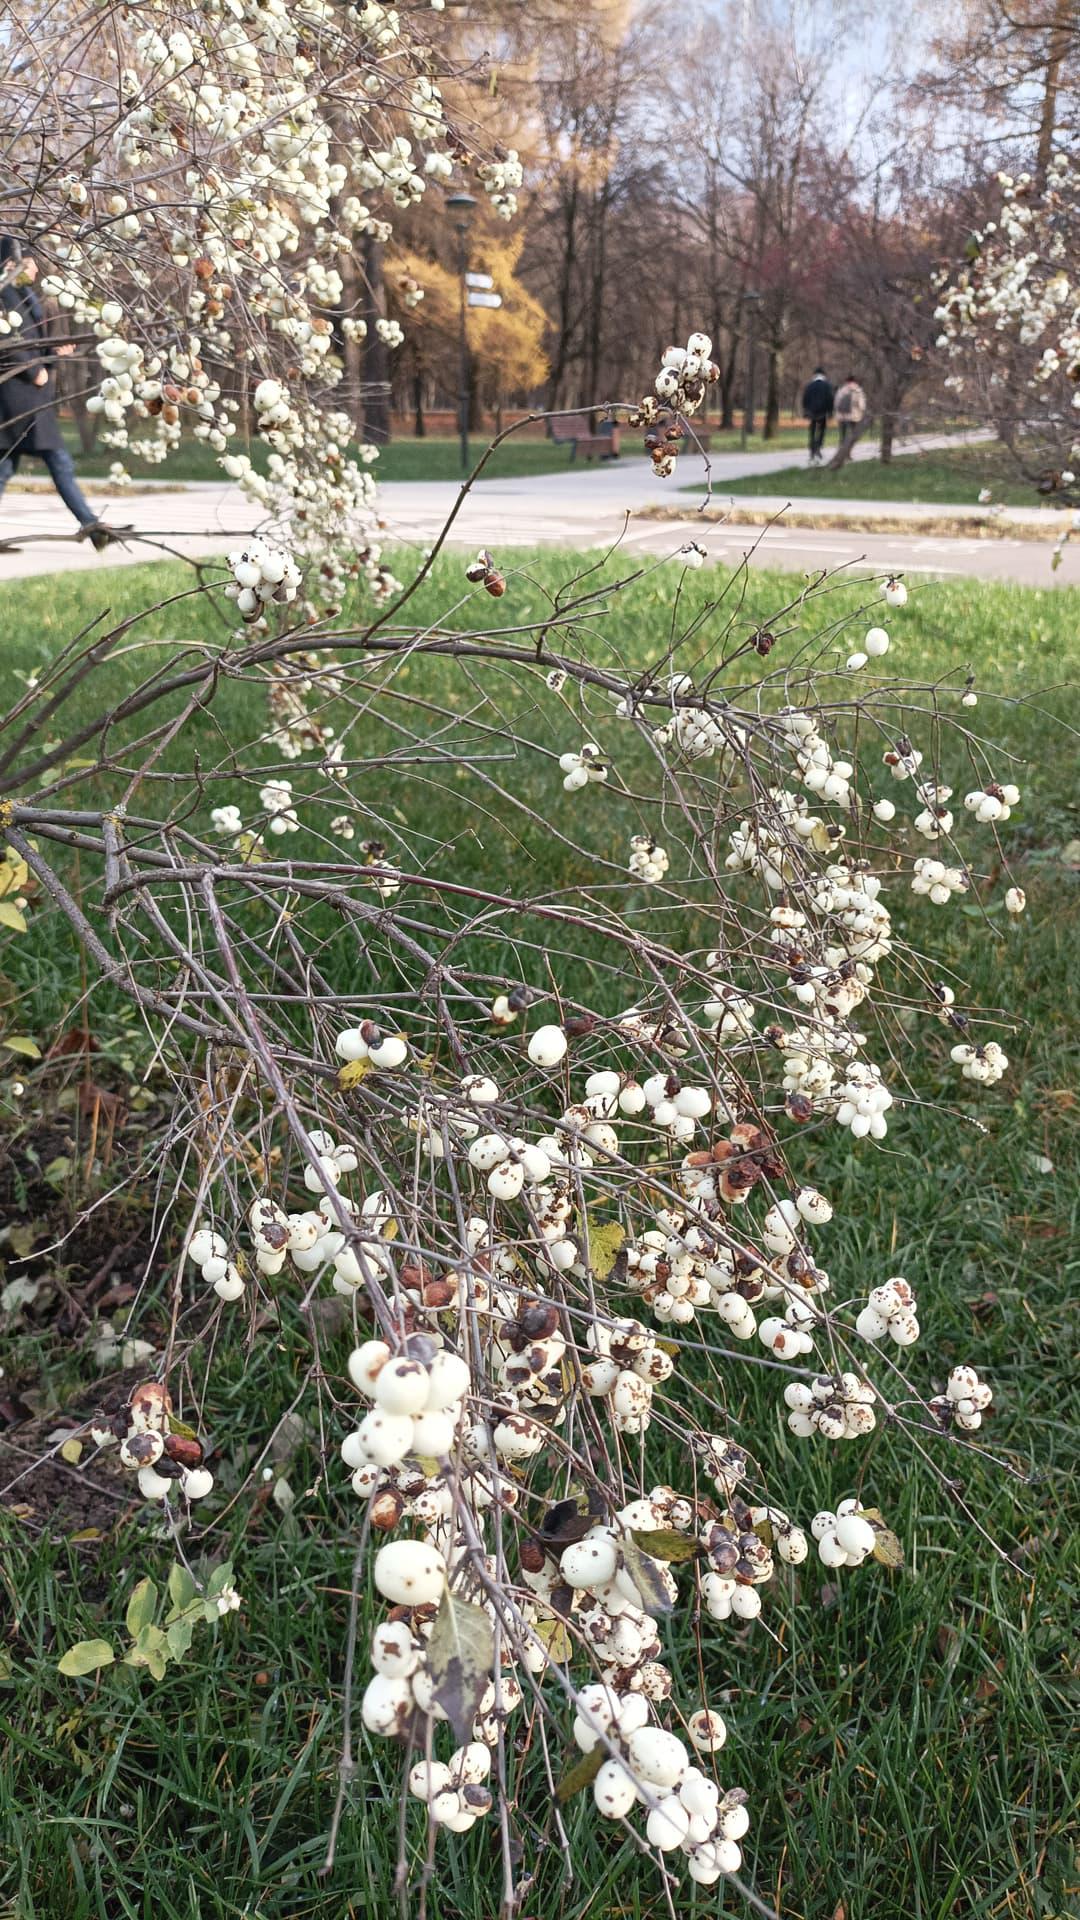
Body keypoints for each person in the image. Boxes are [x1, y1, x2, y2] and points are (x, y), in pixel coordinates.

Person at [0, 236, 116, 549]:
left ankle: (91, 525)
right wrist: (33, 369)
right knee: (57, 459)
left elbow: (28, 338)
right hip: (20, 395)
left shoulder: (21, 292)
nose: (36, 271)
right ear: (11, 264)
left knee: (6, 466)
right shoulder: (5, 295)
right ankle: (91, 525)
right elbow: (9, 339)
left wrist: (54, 352)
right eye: (29, 264)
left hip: (26, 396)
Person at [801, 366, 834, 463]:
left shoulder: (810, 385)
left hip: (812, 411)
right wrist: (830, 411)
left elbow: (805, 398)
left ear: (815, 375)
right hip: (822, 411)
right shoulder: (827, 385)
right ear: (823, 375)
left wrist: (806, 409)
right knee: (822, 429)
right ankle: (818, 446)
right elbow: (830, 399)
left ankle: (811, 448)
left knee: (812, 429)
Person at [834, 373, 867, 452]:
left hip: (841, 416)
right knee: (852, 435)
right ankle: (848, 452)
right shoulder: (858, 390)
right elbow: (862, 405)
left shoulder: (841, 390)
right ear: (855, 381)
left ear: (846, 381)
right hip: (854, 417)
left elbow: (836, 403)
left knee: (843, 435)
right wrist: (862, 412)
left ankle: (841, 451)